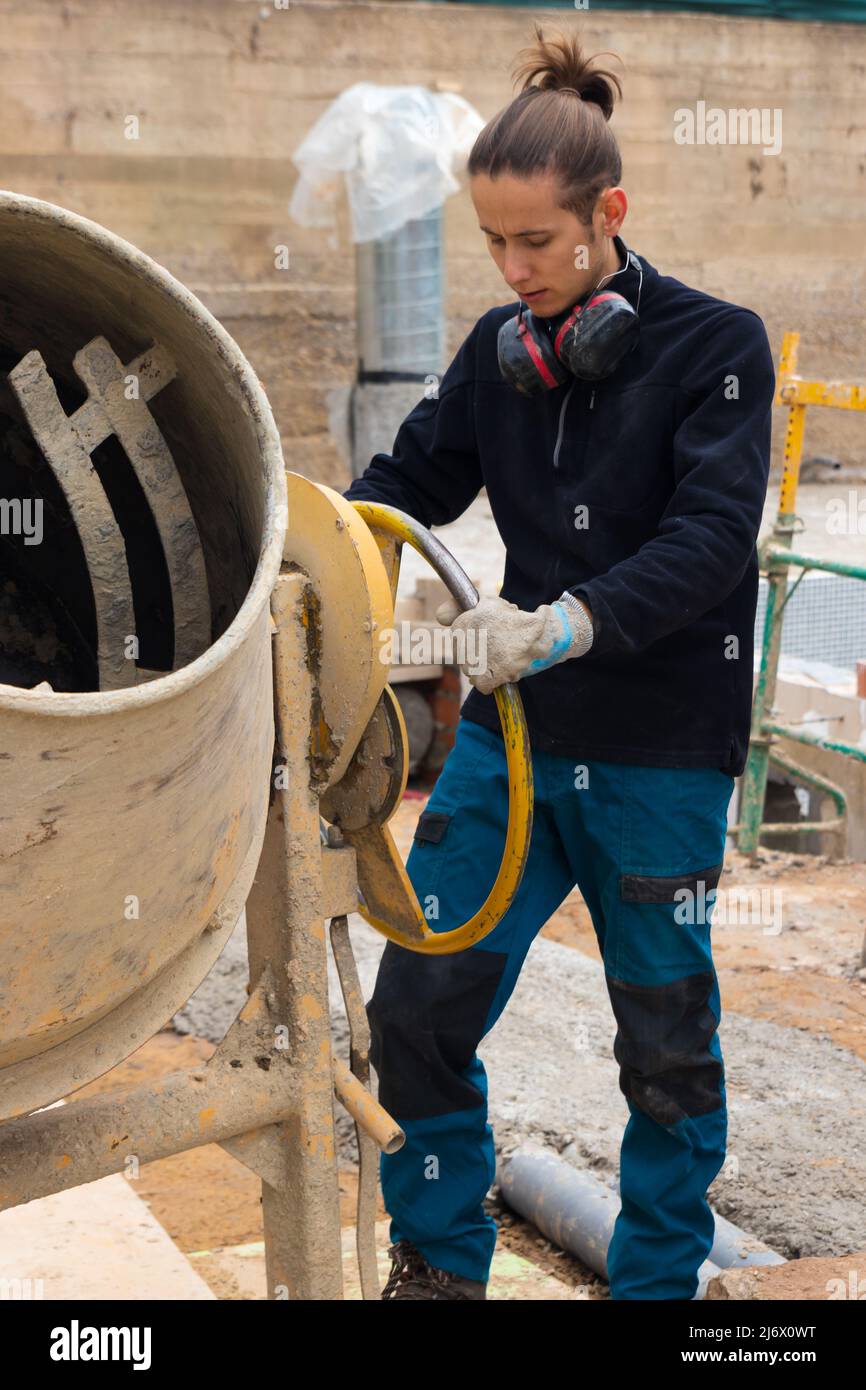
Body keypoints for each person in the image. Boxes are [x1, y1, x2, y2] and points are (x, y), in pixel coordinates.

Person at [341, 22, 775, 1301]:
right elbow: (397, 489)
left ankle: (653, 1288)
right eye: (491, 243)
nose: (512, 267)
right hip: (514, 742)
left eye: (536, 241)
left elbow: (707, 541)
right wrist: (312, 551)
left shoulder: (716, 349)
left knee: (663, 1046)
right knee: (417, 1002)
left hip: (657, 753)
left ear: (608, 216)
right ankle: (437, 1261)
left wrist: (564, 618)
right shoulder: (496, 356)